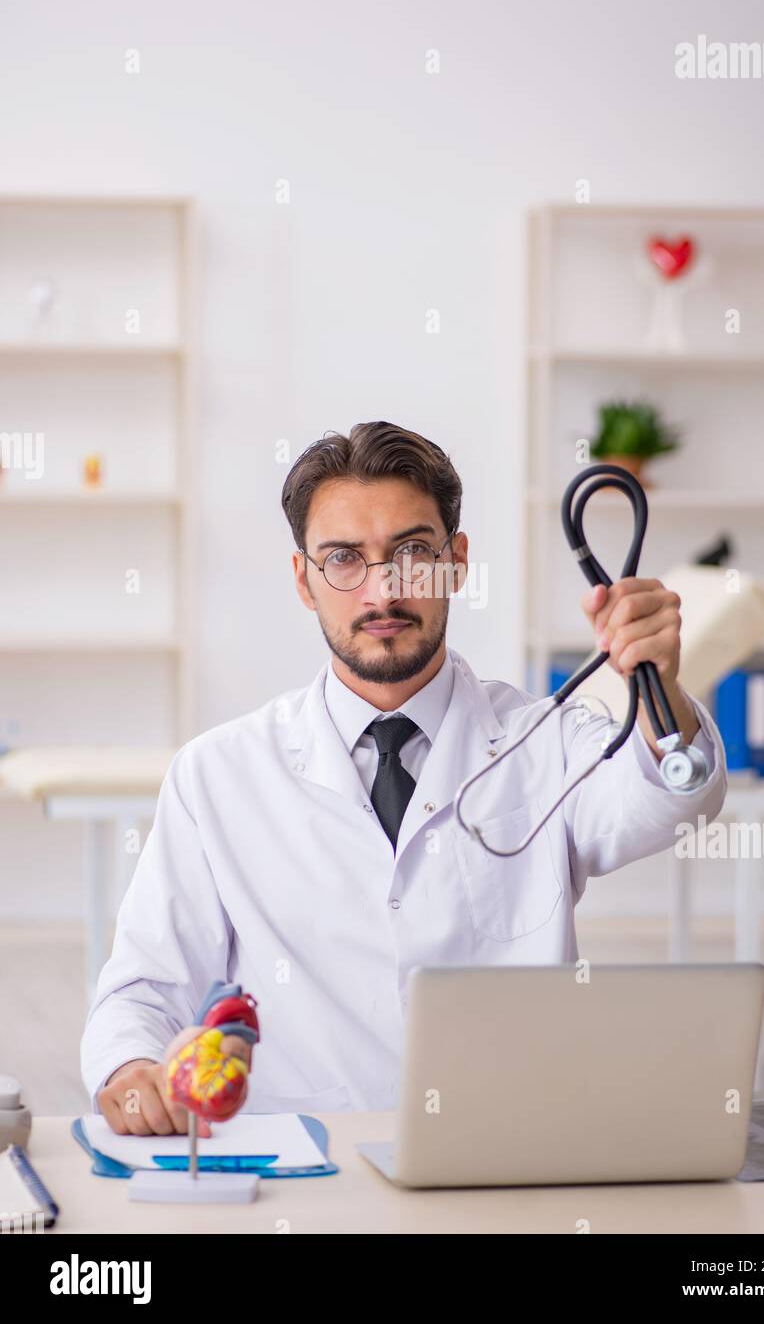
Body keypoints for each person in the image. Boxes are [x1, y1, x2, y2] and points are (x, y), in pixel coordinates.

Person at [82, 420, 726, 1133]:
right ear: (304, 580)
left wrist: (657, 683)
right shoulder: (217, 775)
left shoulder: (543, 743)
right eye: (343, 559)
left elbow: (672, 801)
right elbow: (144, 987)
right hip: (306, 1176)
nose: (381, 591)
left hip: (503, 1160)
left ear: (457, 563)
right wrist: (130, 1066)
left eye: (412, 553)